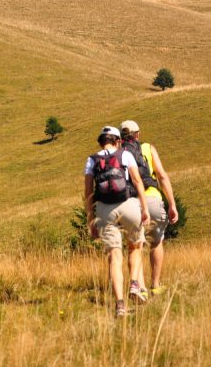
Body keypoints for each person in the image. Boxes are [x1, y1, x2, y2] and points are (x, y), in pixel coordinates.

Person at [84, 126, 150, 317]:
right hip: (128, 203)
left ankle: (120, 305)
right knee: (136, 247)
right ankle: (135, 285)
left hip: (104, 209)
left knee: (114, 256)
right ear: (118, 140)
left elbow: (88, 192)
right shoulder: (125, 155)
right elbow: (137, 181)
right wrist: (144, 208)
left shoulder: (91, 160)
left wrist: (91, 219)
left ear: (100, 141)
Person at [120, 120, 178, 296]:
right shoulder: (147, 148)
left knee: (135, 245)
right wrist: (172, 204)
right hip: (152, 198)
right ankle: (156, 284)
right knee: (156, 241)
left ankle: (141, 289)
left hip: (130, 201)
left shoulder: (118, 152)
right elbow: (161, 175)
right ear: (137, 134)